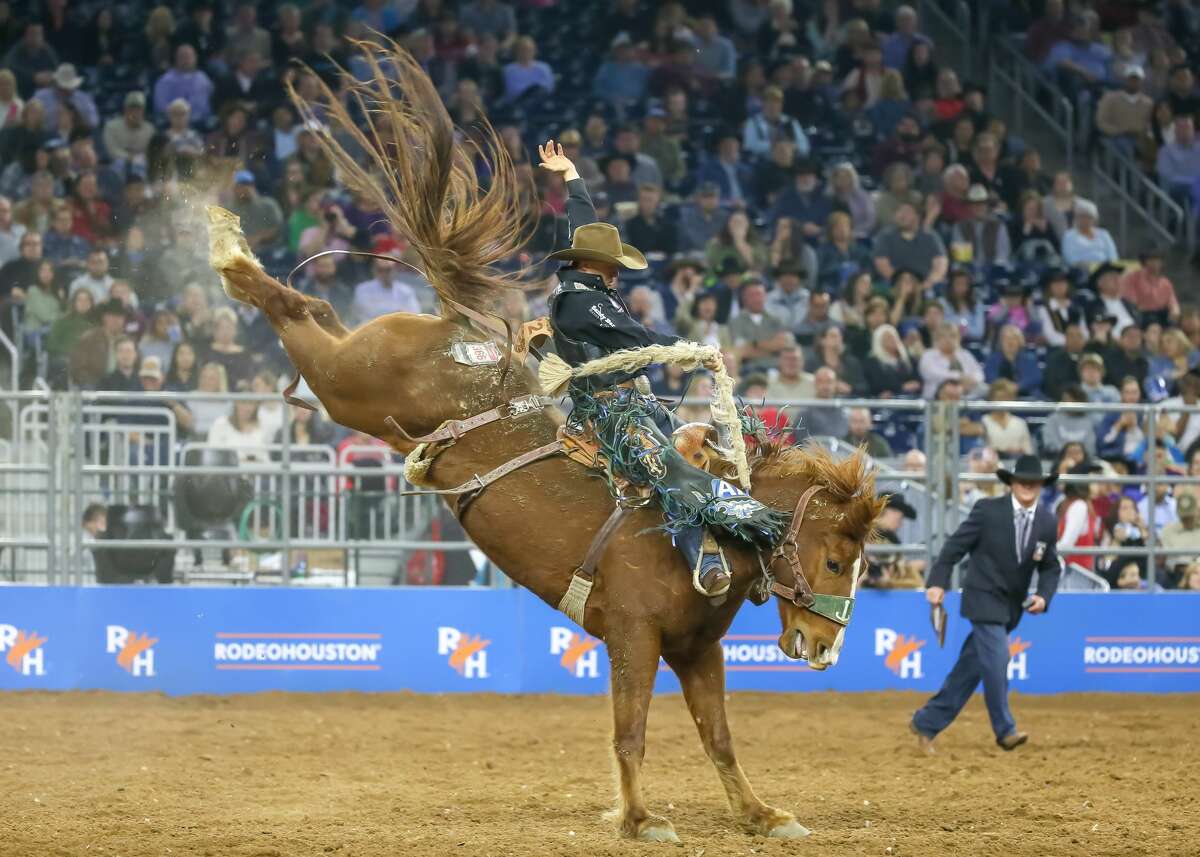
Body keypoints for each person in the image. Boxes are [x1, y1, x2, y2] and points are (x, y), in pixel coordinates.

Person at [538, 139, 783, 600]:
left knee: (706, 449)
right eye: (613, 265)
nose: (618, 273)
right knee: (670, 467)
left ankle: (739, 548)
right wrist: (689, 347)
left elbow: (584, 222)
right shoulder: (579, 303)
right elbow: (636, 338)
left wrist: (571, 175)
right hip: (609, 414)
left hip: (636, 401)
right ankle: (709, 554)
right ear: (596, 265)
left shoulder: (586, 285)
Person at [911, 455, 1061, 754]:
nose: (1028, 486)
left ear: (1042, 486)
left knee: (971, 669)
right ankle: (1005, 729)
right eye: (1022, 481)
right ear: (1011, 484)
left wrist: (1044, 595)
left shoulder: (1047, 521)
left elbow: (1050, 566)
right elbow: (954, 547)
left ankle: (926, 722)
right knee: (998, 659)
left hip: (1010, 608)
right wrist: (937, 581)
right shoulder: (987, 511)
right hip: (982, 599)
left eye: (1034, 482)